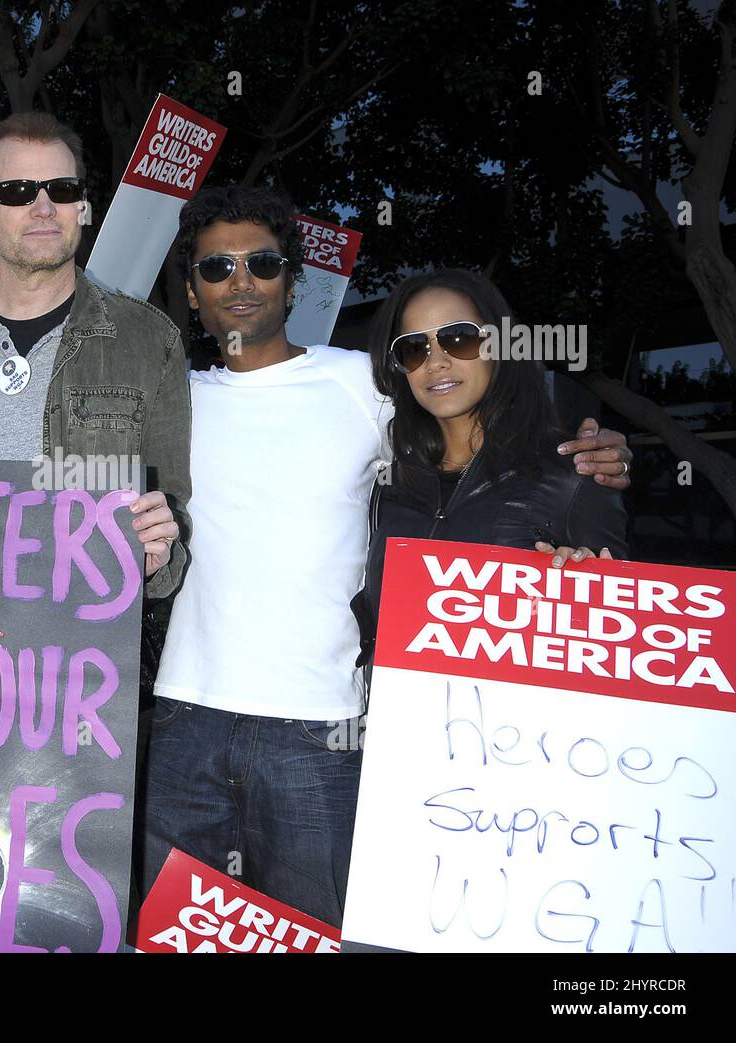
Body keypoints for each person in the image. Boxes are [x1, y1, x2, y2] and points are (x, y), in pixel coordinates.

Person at [138, 185, 632, 929]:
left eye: (262, 263)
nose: (240, 282)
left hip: (323, 729)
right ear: (192, 290)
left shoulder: (365, 384)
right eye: (217, 268)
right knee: (172, 937)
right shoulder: (166, 399)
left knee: (320, 936)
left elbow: (473, 433)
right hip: (183, 721)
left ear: (292, 281)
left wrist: (588, 462)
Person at [0, 112, 189, 595]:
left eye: (63, 190)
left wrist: (158, 550)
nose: (44, 207)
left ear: (82, 207)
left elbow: (171, 511)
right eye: (16, 192)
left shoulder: (152, 341)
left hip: (73, 650)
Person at [357, 268, 629, 631]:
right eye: (413, 348)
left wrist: (582, 587)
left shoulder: (574, 476)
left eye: (459, 338)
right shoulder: (386, 482)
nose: (436, 362)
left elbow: (617, 631)